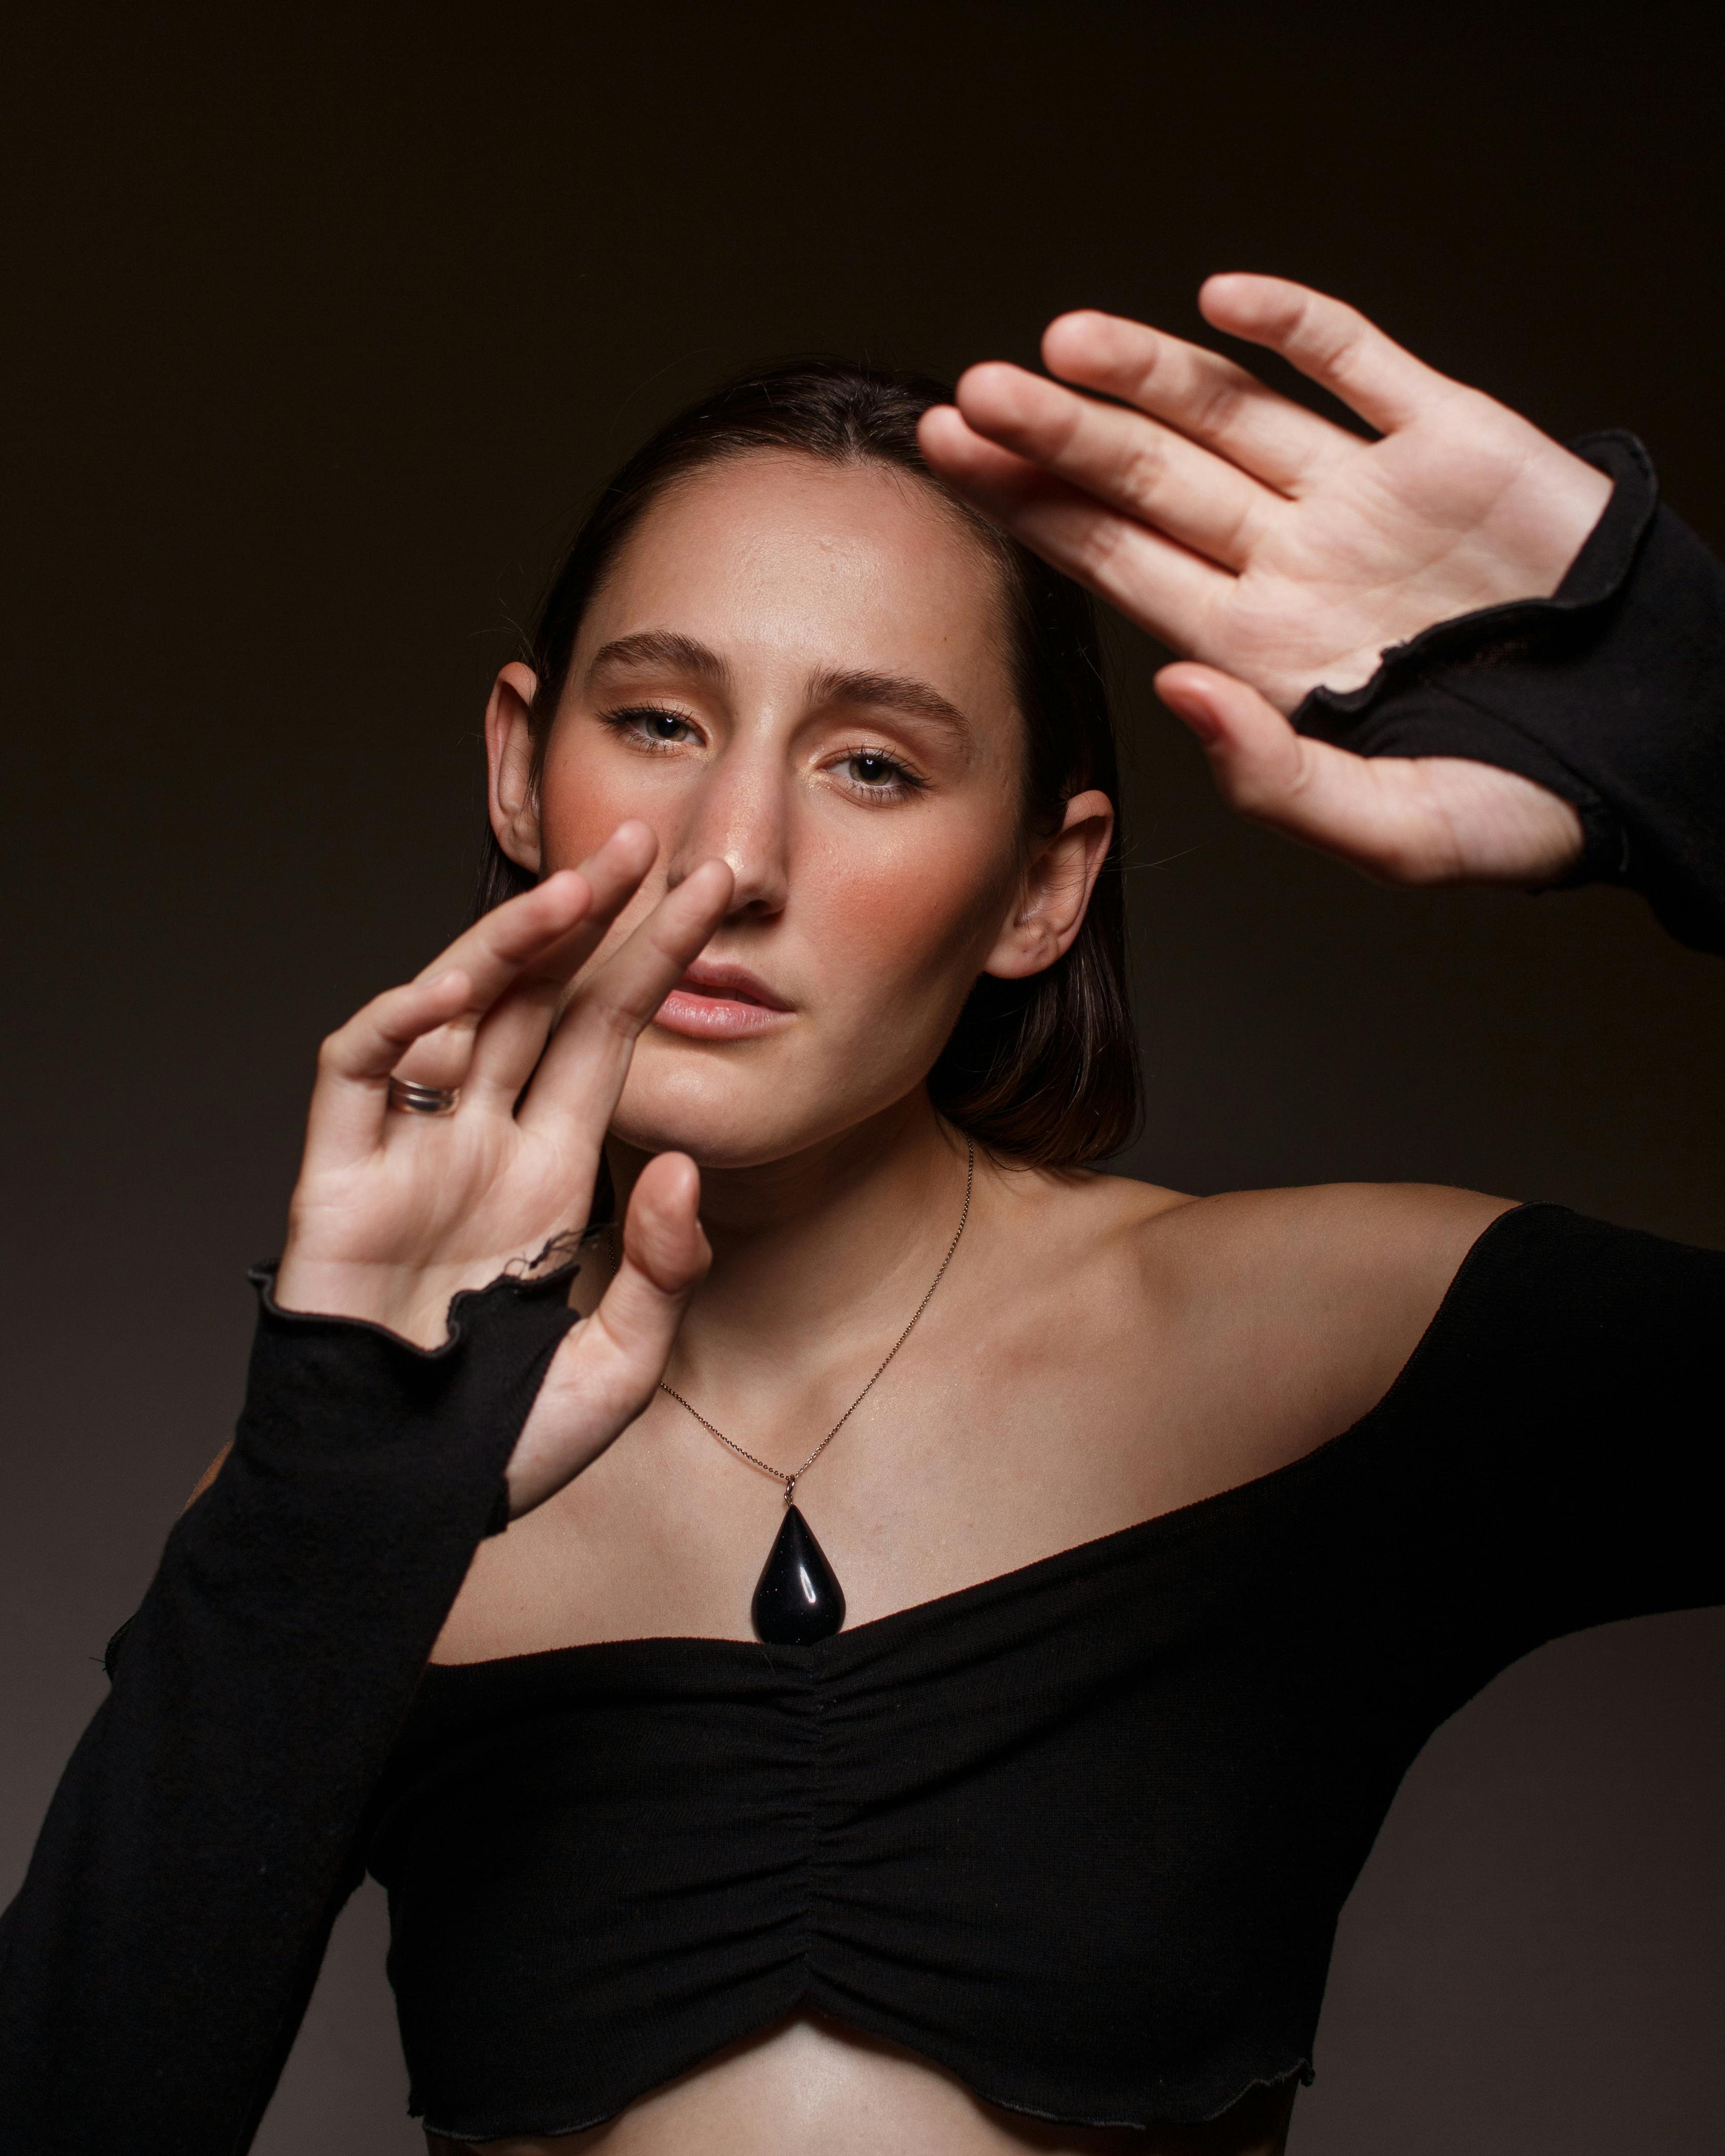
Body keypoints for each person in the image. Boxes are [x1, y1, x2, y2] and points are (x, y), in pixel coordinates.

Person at [1, 276, 1720, 2156]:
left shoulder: (1340, 1348)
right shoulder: (336, 1500)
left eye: (875, 765)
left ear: (1040, 890)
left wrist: (1701, 736)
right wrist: (335, 1507)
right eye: (657, 722)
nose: (736, 860)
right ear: (520, 765)